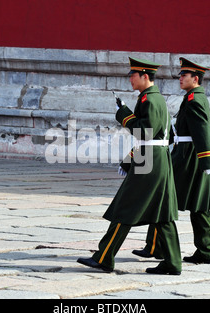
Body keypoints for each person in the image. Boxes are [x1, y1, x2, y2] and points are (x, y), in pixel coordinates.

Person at [77, 57, 182, 275]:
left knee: (124, 207)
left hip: (149, 159)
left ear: (145, 76)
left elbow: (145, 133)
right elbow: (166, 136)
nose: (131, 80)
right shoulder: (157, 99)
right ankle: (173, 263)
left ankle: (104, 257)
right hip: (157, 157)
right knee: (162, 213)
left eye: (133, 76)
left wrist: (124, 116)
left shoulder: (149, 101)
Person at [132, 57, 210, 264]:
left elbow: (202, 133)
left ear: (196, 78)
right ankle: (201, 251)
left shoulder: (195, 100)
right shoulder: (192, 97)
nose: (180, 78)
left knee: (165, 200)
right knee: (197, 207)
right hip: (188, 155)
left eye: (184, 75)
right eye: (181, 74)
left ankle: (160, 247)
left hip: (190, 157)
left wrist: (208, 162)